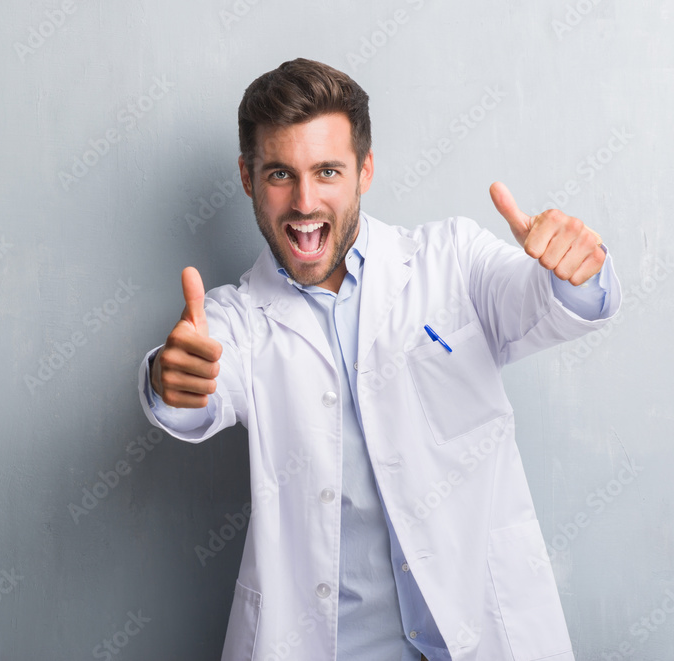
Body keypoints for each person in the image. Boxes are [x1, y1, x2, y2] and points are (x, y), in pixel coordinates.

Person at [137, 58, 621, 661]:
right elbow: (201, 389)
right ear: (247, 177)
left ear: (365, 169)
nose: (305, 201)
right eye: (281, 173)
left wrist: (577, 269)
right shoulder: (235, 319)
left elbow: (543, 301)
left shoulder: (452, 260)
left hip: (484, 635)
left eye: (329, 171)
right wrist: (170, 381)